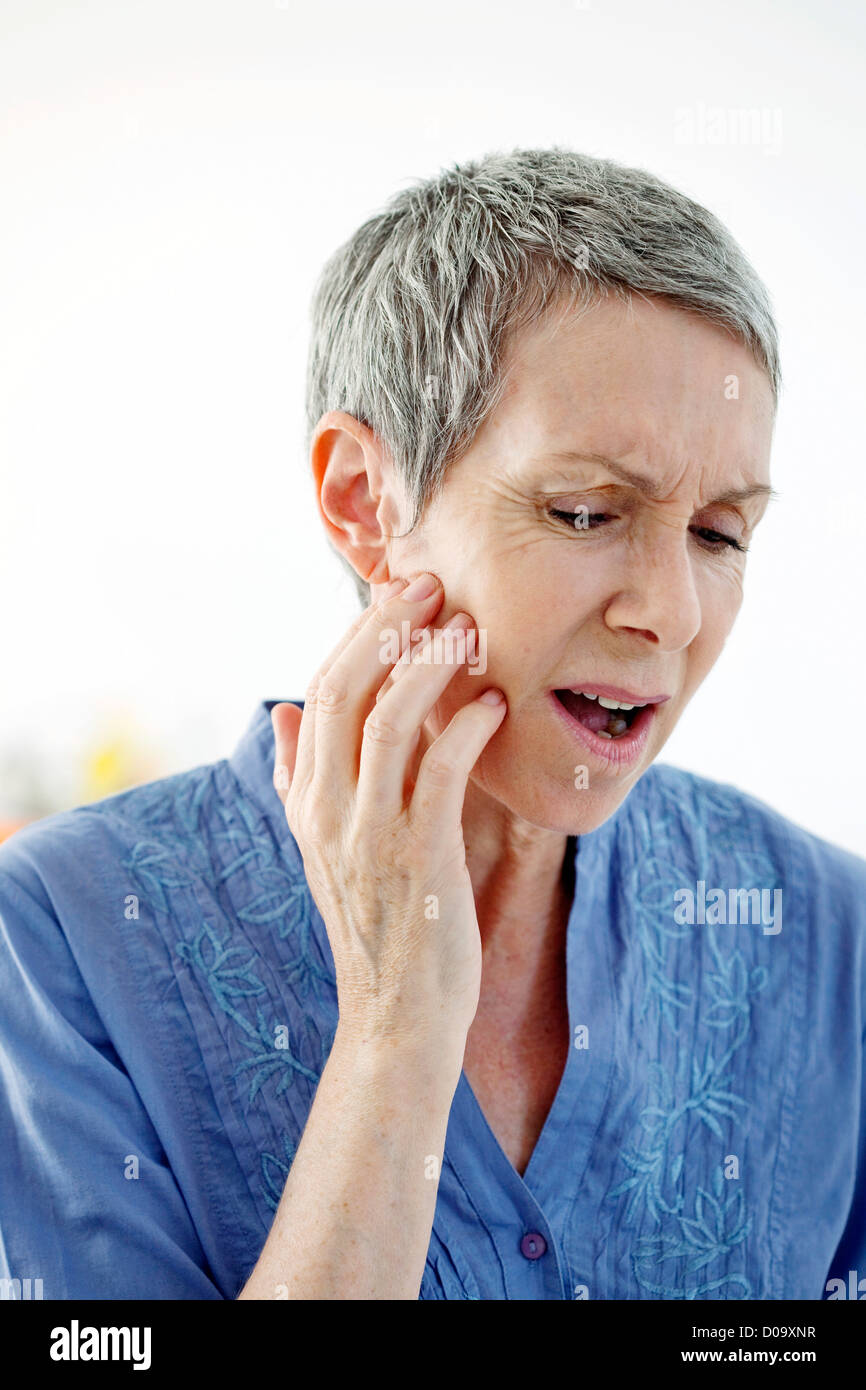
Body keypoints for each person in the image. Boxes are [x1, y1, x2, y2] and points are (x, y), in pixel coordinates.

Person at [1, 147, 864, 1301]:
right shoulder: (60, 941)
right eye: (583, 510)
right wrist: (396, 1033)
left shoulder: (828, 946)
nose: (668, 611)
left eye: (719, 533)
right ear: (365, 501)